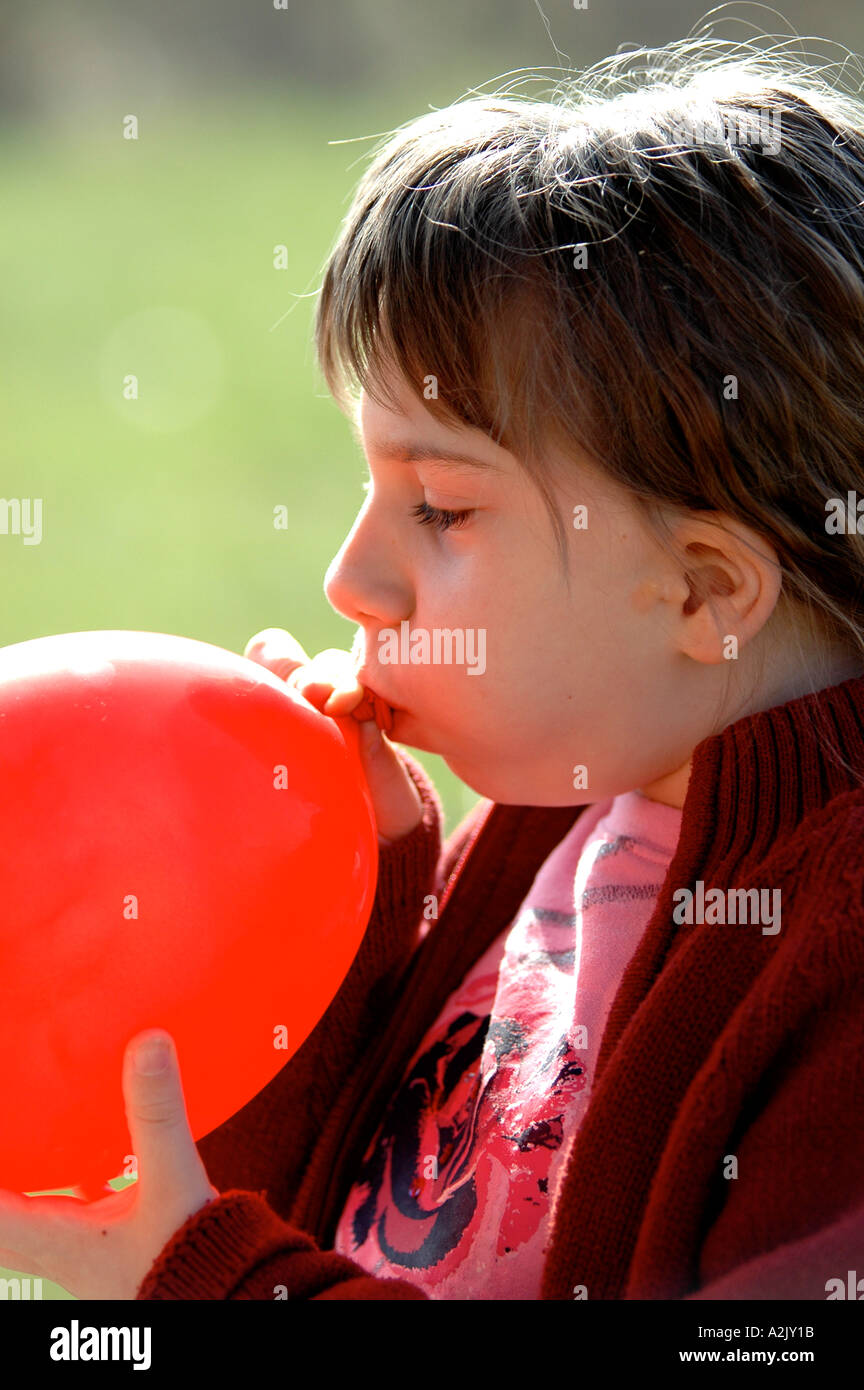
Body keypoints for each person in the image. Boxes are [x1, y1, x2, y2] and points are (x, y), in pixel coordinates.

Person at [4, 33, 864, 1300]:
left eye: (442, 509)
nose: (350, 577)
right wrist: (337, 936)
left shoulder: (831, 953)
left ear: (702, 588)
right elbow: (358, 1223)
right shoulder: (552, 831)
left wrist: (228, 1291)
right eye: (368, 484)